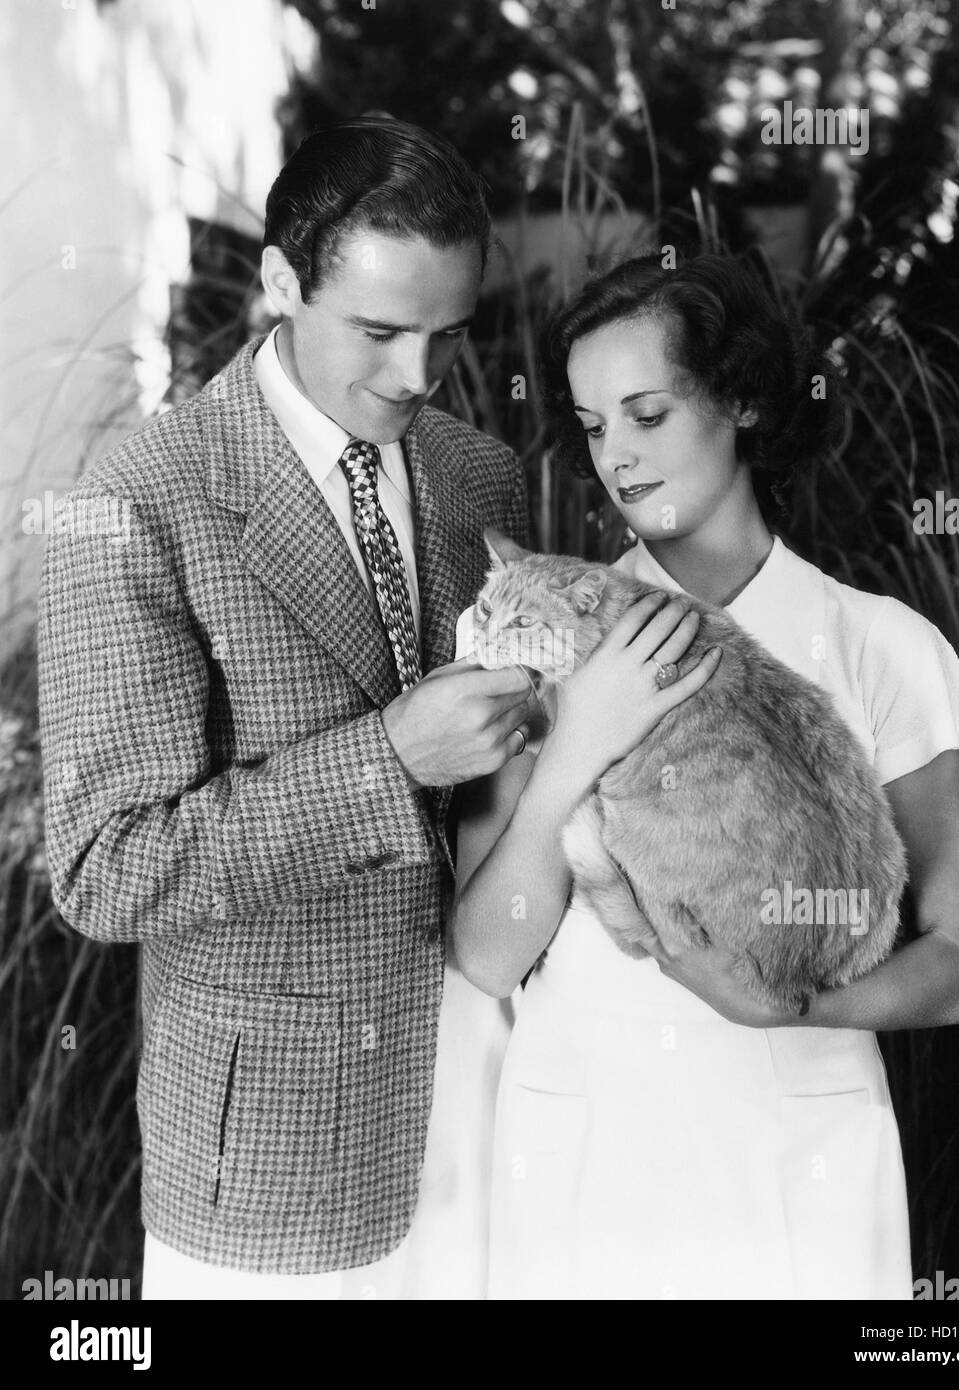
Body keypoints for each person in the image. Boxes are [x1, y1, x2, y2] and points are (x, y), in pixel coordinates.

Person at [37, 116, 544, 1299]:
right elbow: (107, 867)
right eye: (378, 330)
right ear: (279, 280)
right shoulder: (138, 499)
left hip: (492, 1096)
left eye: (445, 335)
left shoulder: (480, 474)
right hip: (275, 1153)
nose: (417, 378)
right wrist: (387, 761)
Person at [449, 252, 959, 1299]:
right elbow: (484, 952)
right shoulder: (538, 629)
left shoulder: (882, 644)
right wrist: (574, 742)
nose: (617, 454)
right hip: (587, 1164)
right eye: (594, 424)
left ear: (743, 399)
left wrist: (784, 1010)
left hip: (799, 1159)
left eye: (647, 412)